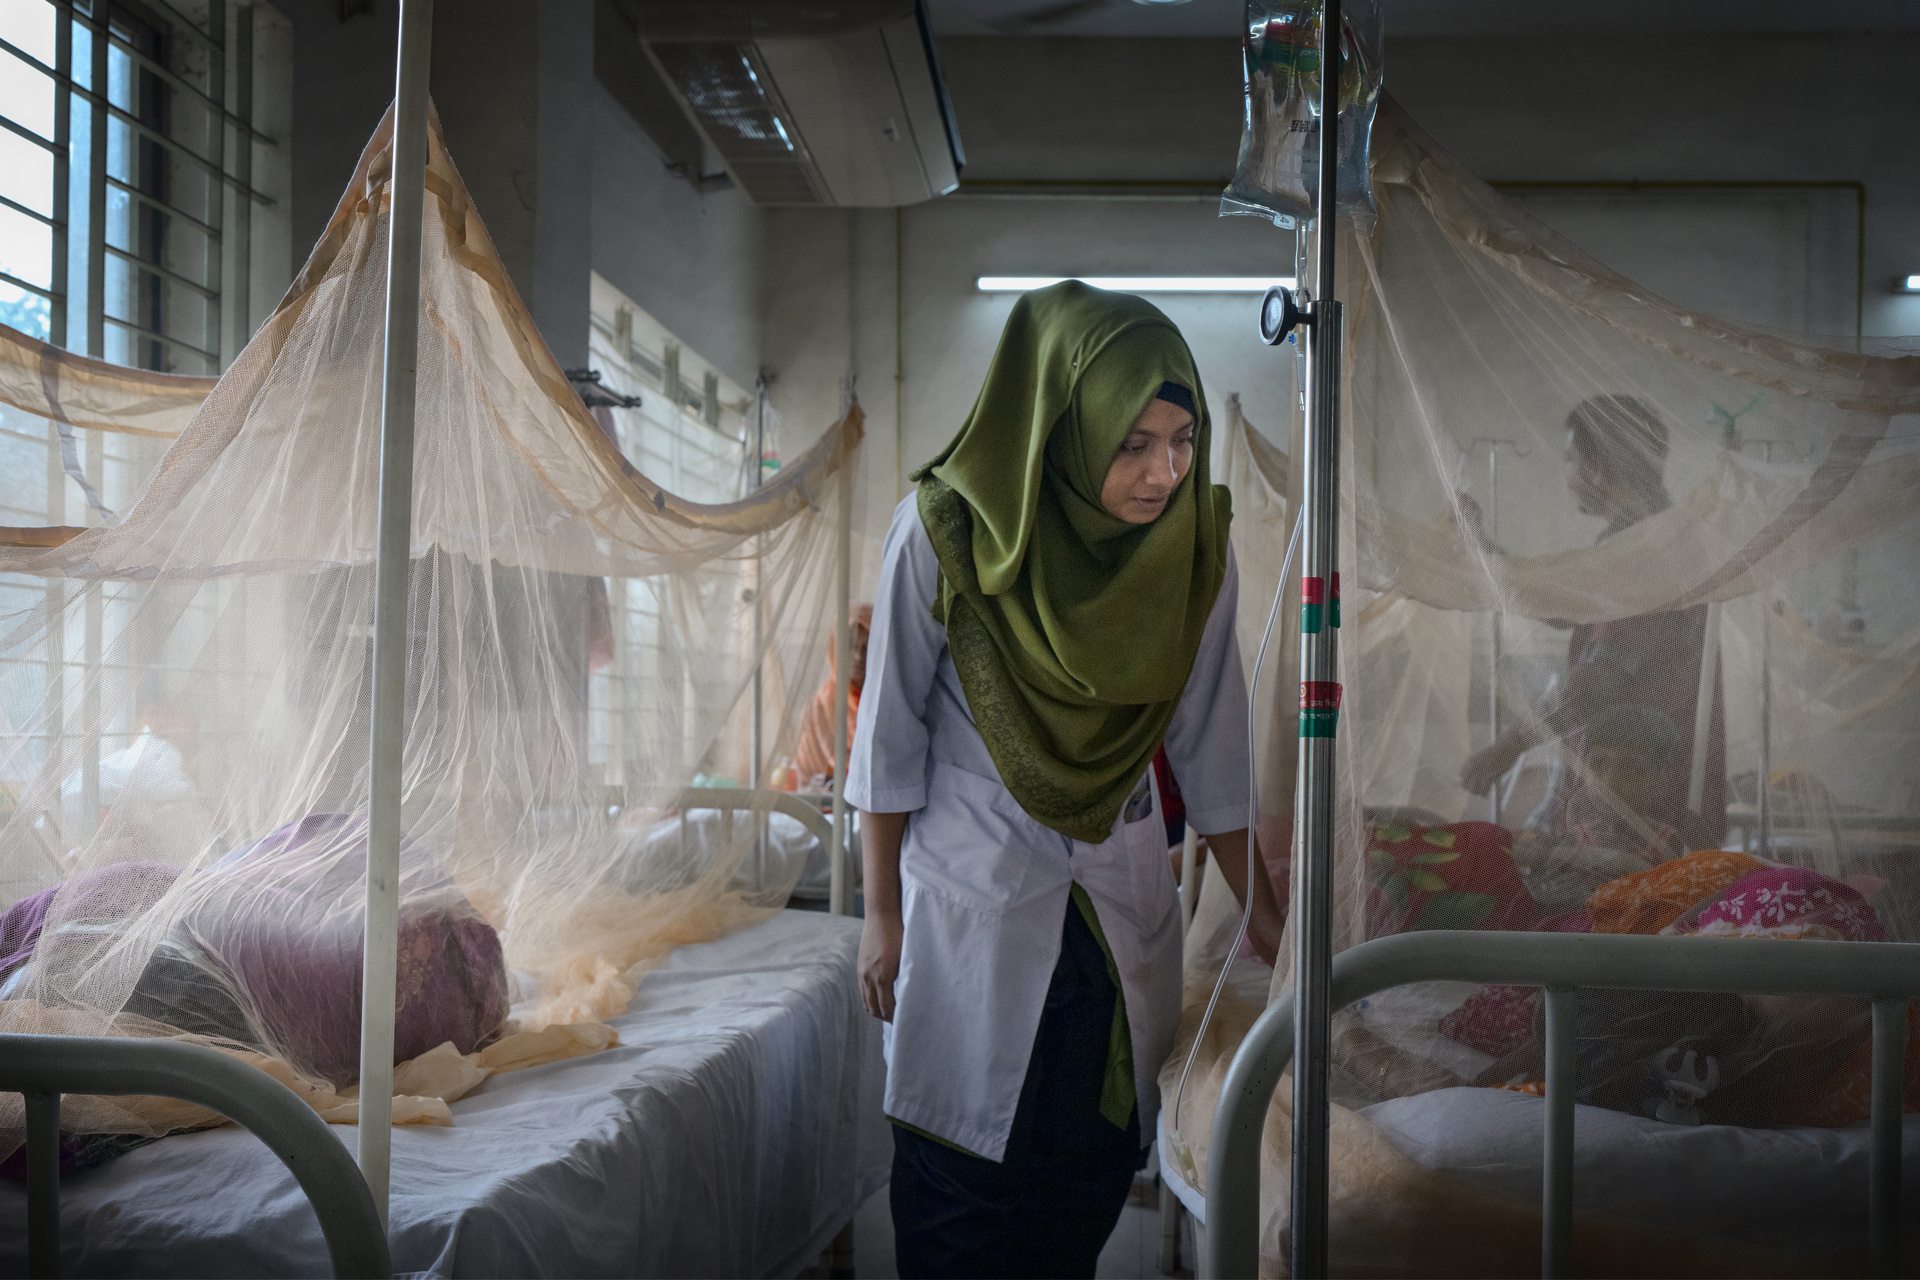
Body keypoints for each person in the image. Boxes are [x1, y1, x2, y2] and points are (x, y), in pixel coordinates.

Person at [847, 282, 1284, 1278]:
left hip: (1108, 927)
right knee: (957, 1204)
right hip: (970, 904)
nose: (1163, 472)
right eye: (1132, 442)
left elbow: (1213, 747)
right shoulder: (945, 531)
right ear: (1063, 424)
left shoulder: (1194, 554)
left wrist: (1268, 915)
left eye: (1182, 439)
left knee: (1074, 1191)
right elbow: (888, 734)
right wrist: (880, 911)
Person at [1458, 394, 1725, 844]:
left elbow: (1598, 679)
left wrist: (1506, 749)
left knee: (1619, 910)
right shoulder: (1654, 533)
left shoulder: (1646, 547)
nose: (1568, 477)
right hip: (1645, 783)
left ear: (1598, 466)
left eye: (1570, 460)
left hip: (1641, 797)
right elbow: (1569, 608)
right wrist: (1483, 552)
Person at [792, 604, 873, 786]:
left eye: (867, 648)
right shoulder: (819, 707)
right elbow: (805, 776)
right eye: (851, 646)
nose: (859, 656)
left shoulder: (892, 702)